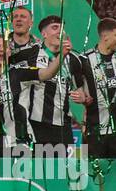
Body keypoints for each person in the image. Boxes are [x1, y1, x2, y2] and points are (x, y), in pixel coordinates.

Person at [8, 16, 75, 151]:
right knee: (39, 170)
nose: (60, 32)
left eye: (62, 28)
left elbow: (81, 90)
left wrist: (82, 96)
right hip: (37, 125)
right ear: (44, 34)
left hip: (64, 127)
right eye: (55, 28)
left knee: (63, 171)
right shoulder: (27, 54)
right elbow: (2, 65)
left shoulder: (74, 59)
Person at [67, 18, 116, 158]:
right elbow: (77, 88)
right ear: (105, 36)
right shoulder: (84, 60)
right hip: (95, 129)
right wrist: (82, 97)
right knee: (97, 175)